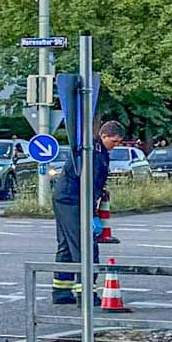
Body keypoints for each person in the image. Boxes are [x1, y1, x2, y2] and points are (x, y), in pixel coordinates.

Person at [52, 117, 120, 304]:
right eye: (113, 141)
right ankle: (86, 293)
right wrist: (92, 214)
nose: (115, 145)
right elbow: (87, 184)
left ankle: (61, 291)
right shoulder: (93, 151)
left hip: (67, 197)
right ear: (104, 135)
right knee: (85, 245)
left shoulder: (97, 150)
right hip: (72, 199)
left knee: (67, 245)